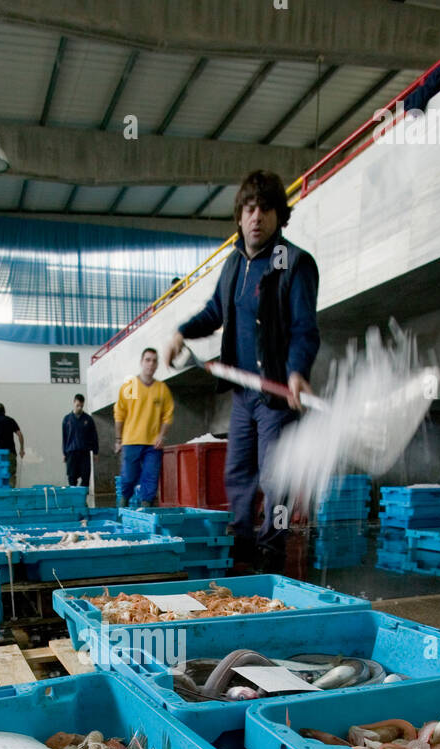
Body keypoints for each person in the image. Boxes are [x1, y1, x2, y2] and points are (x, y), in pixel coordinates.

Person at [164, 169, 320, 569]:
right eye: (249, 209)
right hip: (242, 393)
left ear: (278, 217)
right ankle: (243, 546)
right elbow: (216, 311)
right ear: (239, 216)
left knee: (275, 479)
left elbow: (304, 329)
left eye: (266, 210)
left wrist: (298, 371)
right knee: (238, 473)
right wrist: (183, 331)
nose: (256, 217)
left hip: (275, 395)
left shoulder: (295, 264)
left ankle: (273, 548)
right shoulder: (234, 264)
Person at [113, 347, 174, 507]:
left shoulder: (162, 389)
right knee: (128, 478)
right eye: (147, 360)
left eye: (154, 361)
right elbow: (119, 413)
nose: (150, 364)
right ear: (141, 362)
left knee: (150, 479)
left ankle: (146, 509)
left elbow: (168, 415)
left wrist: (162, 435)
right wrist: (118, 439)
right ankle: (123, 503)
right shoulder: (130, 386)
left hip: (153, 445)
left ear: (157, 365)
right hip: (131, 441)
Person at [61, 394, 99, 488]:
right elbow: (64, 438)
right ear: (74, 402)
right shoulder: (67, 420)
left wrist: (95, 452)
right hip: (71, 453)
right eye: (77, 405)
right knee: (72, 478)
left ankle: (82, 498)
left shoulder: (88, 419)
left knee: (86, 477)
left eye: (81, 406)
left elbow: (94, 436)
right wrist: (64, 453)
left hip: (84, 452)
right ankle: (74, 499)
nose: (79, 408)